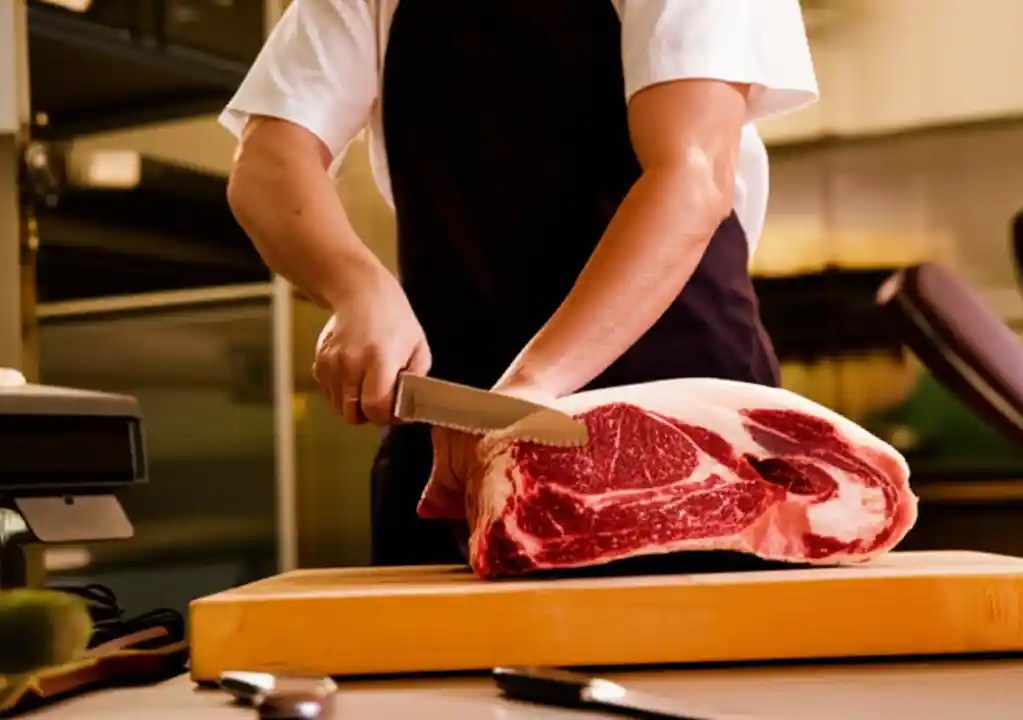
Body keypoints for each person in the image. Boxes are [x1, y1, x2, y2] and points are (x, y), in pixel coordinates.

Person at [221, 0, 819, 566]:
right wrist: (355, 289)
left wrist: (532, 387)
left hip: (680, 437)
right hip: (454, 445)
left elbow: (690, 176)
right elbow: (270, 158)